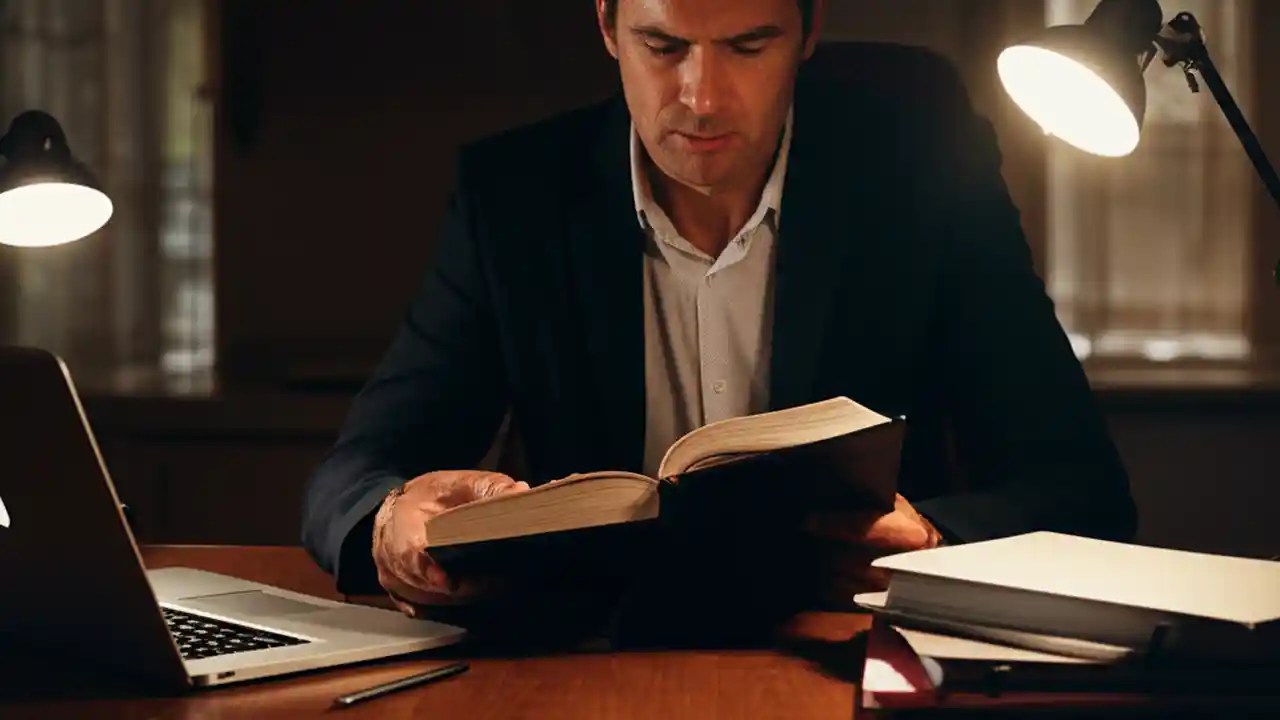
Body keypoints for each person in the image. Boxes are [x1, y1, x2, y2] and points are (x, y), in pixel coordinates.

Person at [302, 0, 1136, 621]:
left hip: (841, 649)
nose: (701, 98)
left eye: (748, 45)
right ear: (606, 27)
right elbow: (356, 470)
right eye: (664, 46)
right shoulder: (514, 197)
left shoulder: (925, 179)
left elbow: (1080, 490)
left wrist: (935, 540)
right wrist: (389, 520)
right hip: (582, 658)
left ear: (808, 34)